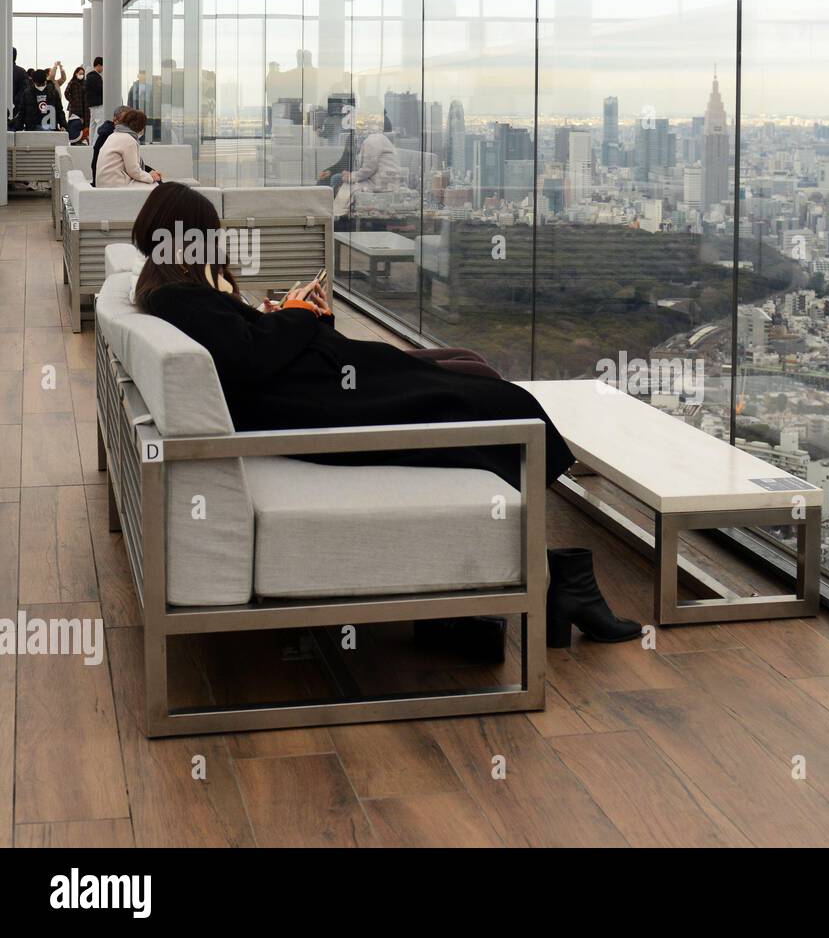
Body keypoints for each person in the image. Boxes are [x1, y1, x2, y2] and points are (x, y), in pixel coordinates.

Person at [131, 183, 641, 651]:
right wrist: (299, 315)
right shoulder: (179, 297)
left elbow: (246, 349)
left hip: (319, 389)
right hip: (322, 401)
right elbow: (249, 359)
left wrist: (290, 313)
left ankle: (549, 581)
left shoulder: (174, 294)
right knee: (501, 404)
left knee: (479, 389)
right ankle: (559, 583)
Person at [95, 108, 160, 188]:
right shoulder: (129, 140)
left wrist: (149, 175)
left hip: (104, 183)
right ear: (140, 127)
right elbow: (133, 171)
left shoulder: (114, 135)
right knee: (156, 187)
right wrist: (151, 177)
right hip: (115, 184)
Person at [63, 63, 89, 137]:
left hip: (84, 107)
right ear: (76, 74)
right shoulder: (72, 83)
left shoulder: (85, 83)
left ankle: (82, 138)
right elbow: (66, 93)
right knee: (74, 124)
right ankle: (73, 138)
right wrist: (72, 101)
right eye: (80, 73)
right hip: (75, 108)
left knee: (84, 124)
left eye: (83, 74)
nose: (81, 75)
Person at [85, 56, 104, 131]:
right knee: (99, 123)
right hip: (97, 104)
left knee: (92, 125)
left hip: (92, 104)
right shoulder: (95, 77)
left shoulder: (89, 76)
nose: (103, 68)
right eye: (102, 66)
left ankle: (92, 142)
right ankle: (96, 142)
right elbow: (100, 89)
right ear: (99, 65)